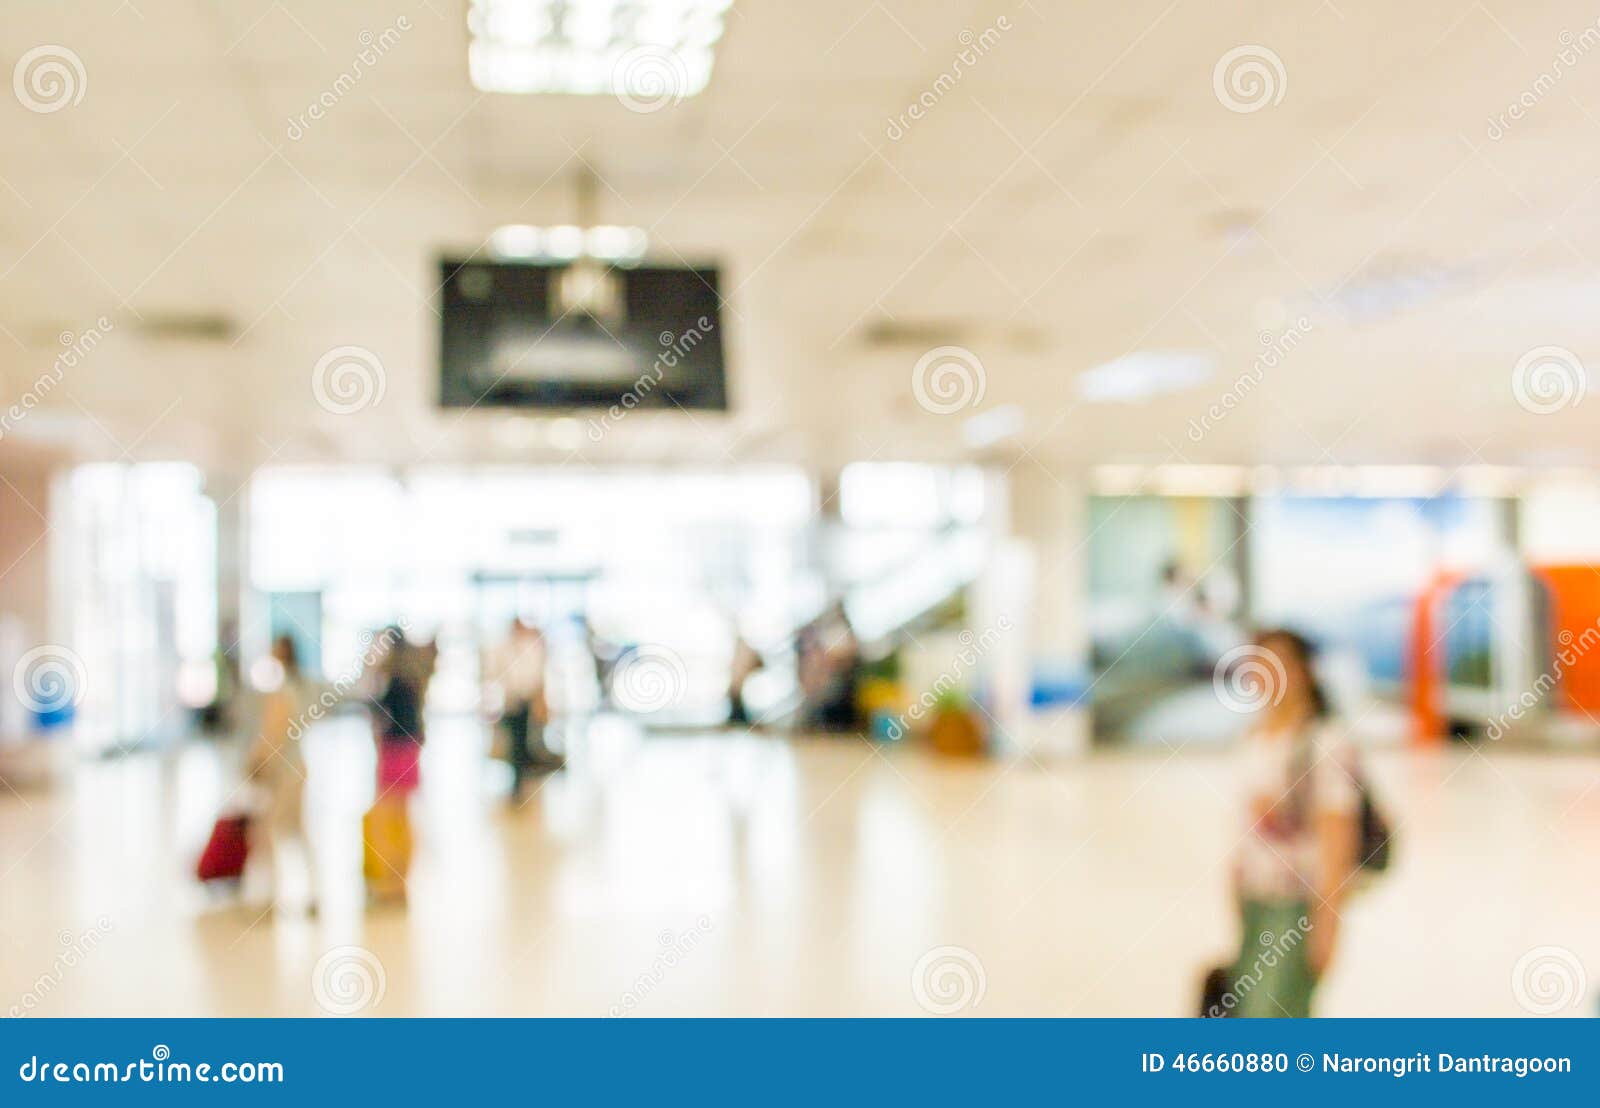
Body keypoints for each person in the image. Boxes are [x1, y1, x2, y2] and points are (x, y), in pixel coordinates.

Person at [1224, 628, 1361, 1017]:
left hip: (1297, 904)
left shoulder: (1325, 742)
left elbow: (1338, 835)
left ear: (1302, 673)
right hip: (1255, 899)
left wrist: (1328, 919)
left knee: (1274, 1014)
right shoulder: (1254, 739)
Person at [245, 634, 316, 915]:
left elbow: (274, 735)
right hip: (296, 768)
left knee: (270, 832)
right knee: (297, 831)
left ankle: (270, 897)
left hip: (284, 772)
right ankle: (312, 893)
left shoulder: (283, 692)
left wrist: (258, 760)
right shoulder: (297, 688)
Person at [483, 618, 560, 803]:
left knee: (525, 742)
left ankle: (523, 780)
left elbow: (536, 675)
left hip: (528, 701)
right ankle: (518, 783)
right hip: (511, 703)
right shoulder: (502, 648)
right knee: (515, 743)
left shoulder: (531, 647)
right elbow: (493, 673)